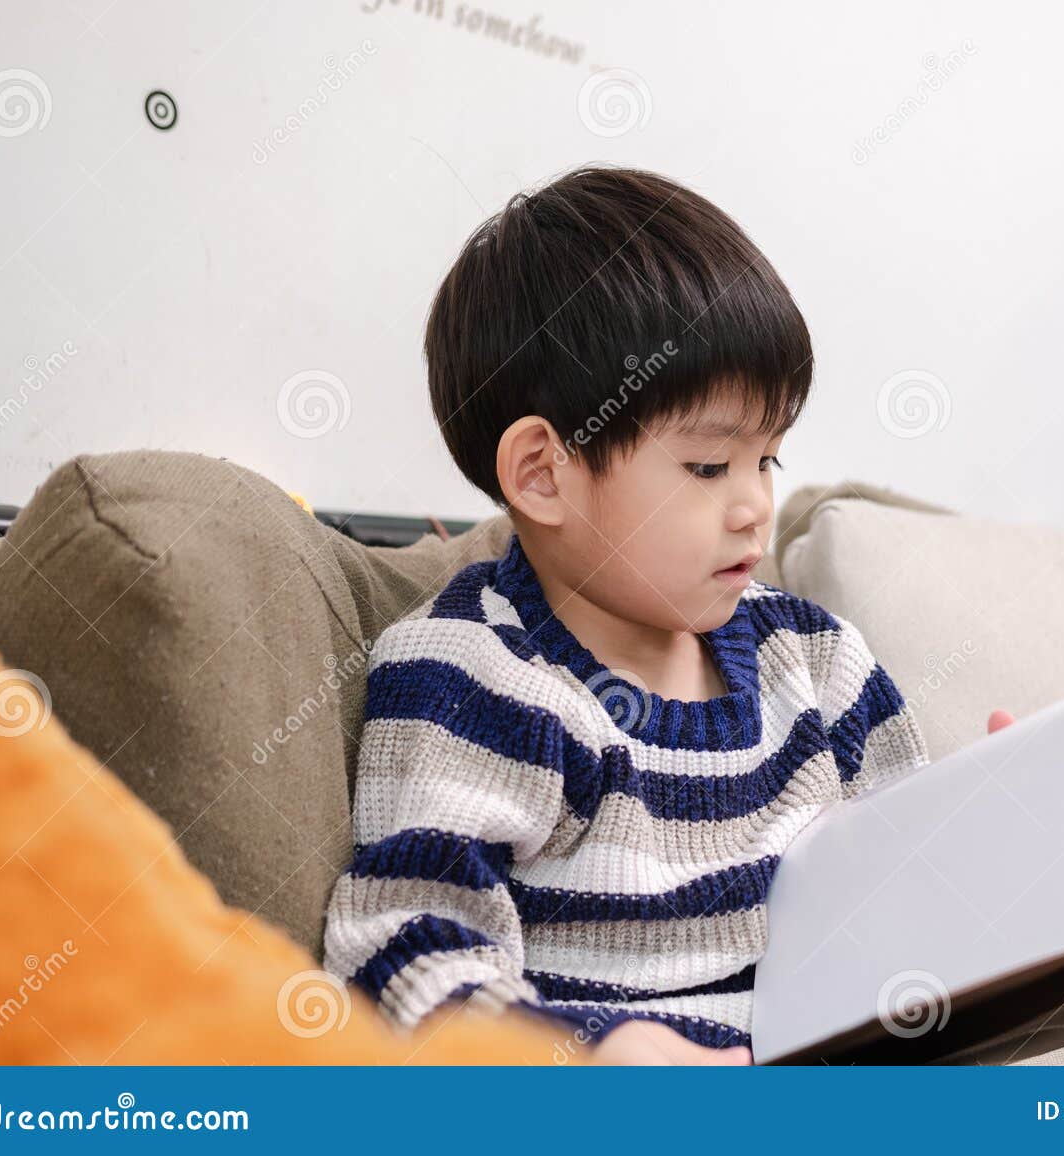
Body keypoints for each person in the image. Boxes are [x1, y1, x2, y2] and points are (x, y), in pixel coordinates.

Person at [320, 166, 1011, 1064]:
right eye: (708, 467)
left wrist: (998, 834)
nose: (756, 505)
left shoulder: (816, 662)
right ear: (542, 472)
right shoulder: (477, 678)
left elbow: (906, 908)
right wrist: (591, 1059)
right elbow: (404, 951)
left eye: (769, 459)